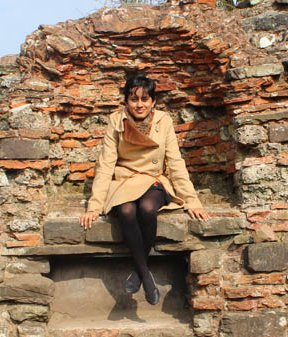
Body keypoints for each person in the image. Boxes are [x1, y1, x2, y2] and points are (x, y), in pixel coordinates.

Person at [79, 75, 210, 305]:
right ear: (126, 102)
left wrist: (192, 201)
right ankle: (145, 274)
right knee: (128, 212)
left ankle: (139, 270)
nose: (139, 104)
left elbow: (175, 162)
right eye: (133, 99)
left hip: (153, 180)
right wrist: (94, 206)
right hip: (124, 180)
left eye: (145, 99)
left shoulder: (164, 121)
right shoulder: (115, 121)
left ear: (153, 101)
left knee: (148, 208)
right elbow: (105, 164)